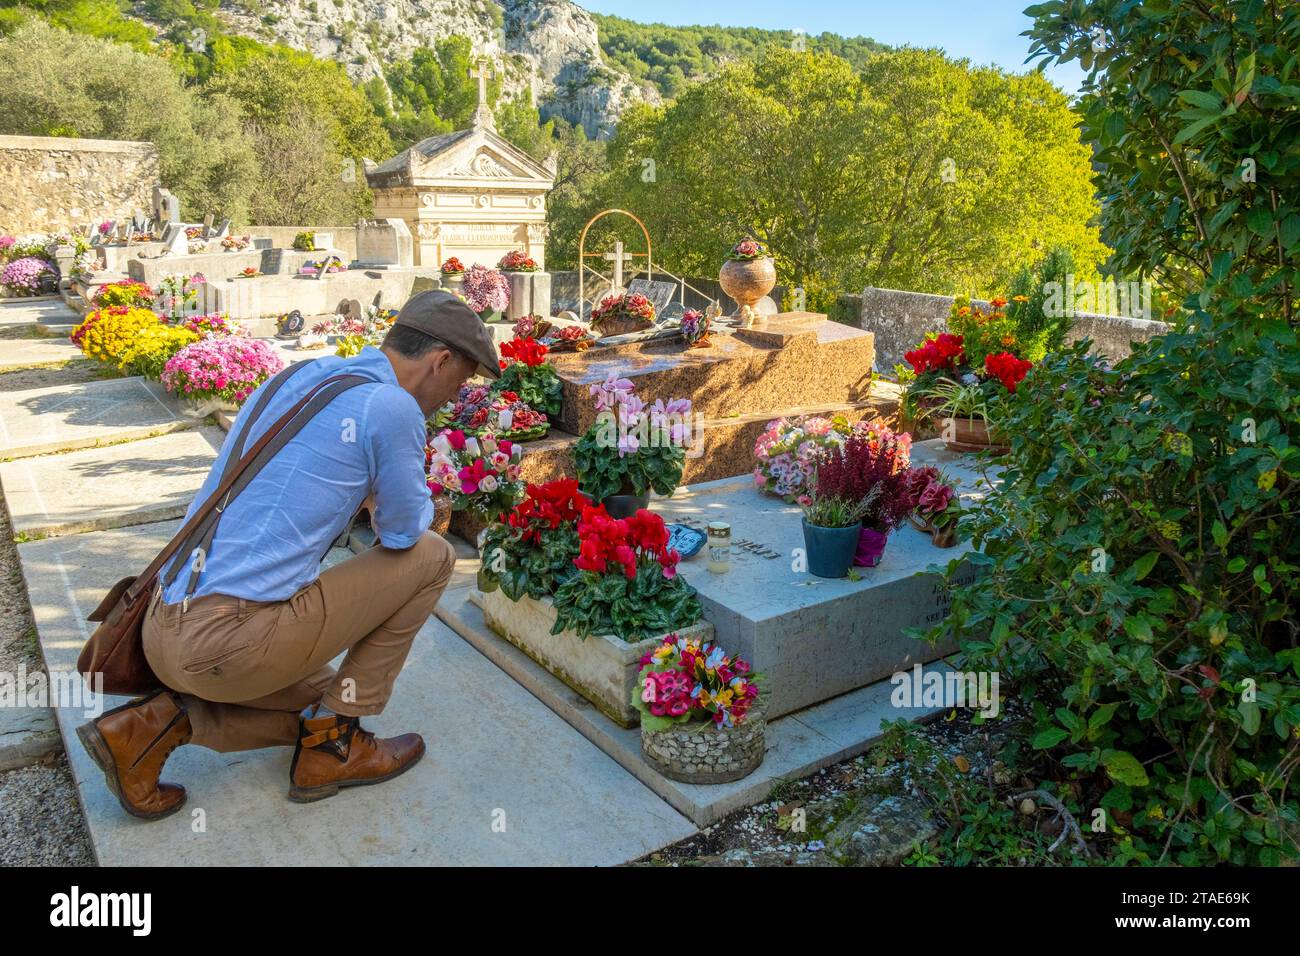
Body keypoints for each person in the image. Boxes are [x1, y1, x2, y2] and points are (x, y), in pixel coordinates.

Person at [75, 290, 500, 819]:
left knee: (327, 696)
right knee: (433, 557)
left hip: (159, 628)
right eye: (458, 383)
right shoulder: (390, 406)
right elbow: (405, 532)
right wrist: (381, 486)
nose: (453, 398)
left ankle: (151, 725)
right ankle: (334, 749)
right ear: (439, 361)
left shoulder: (303, 373)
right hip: (224, 642)